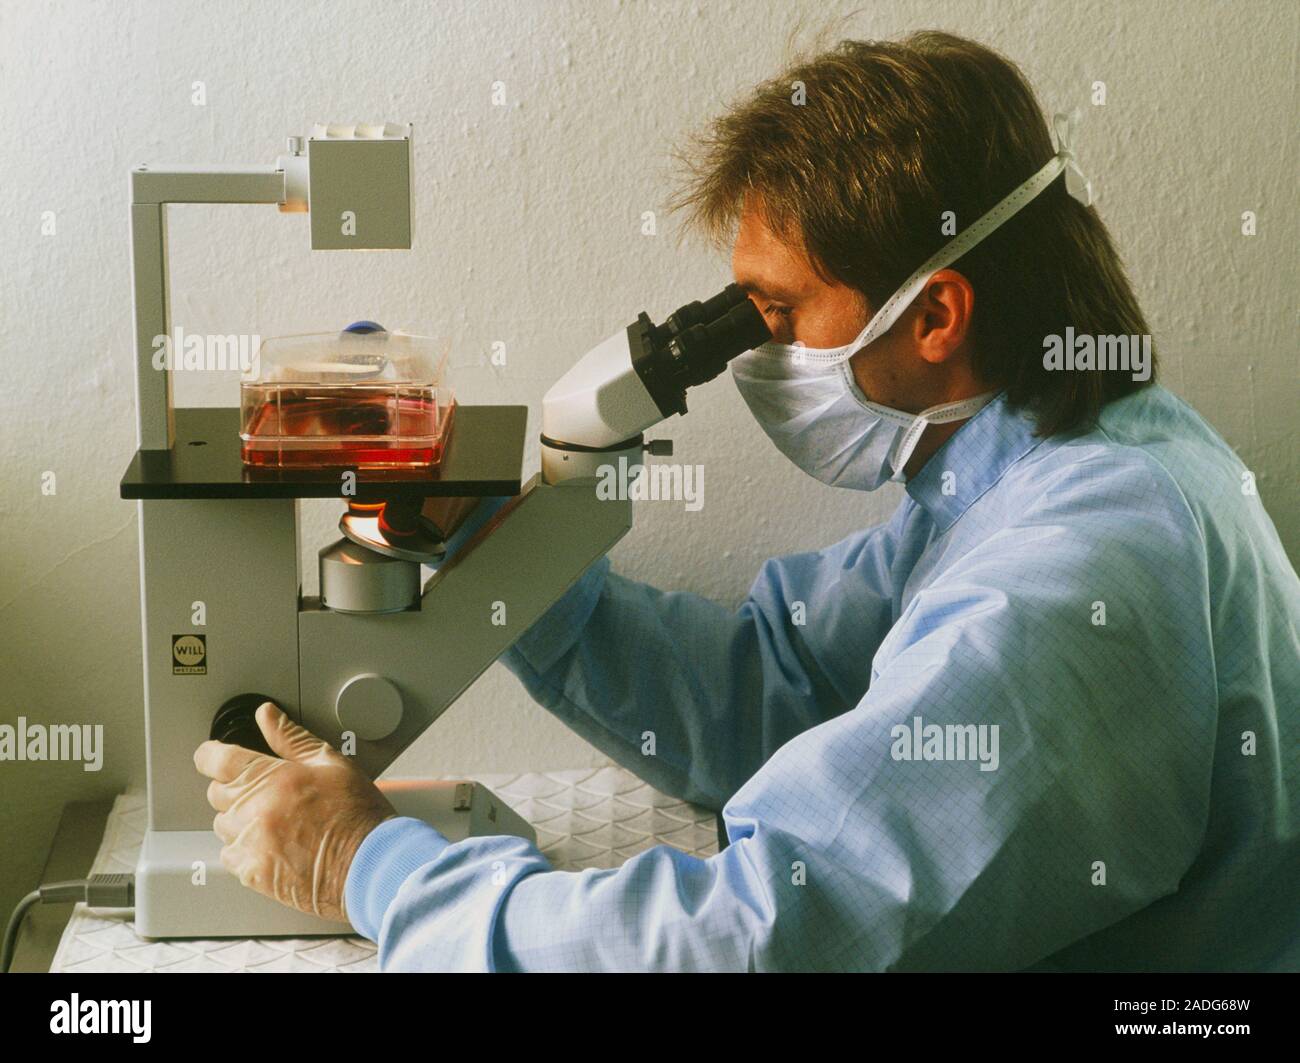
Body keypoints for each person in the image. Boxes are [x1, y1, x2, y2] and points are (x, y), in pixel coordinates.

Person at [194, 30, 1299, 972]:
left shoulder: (1071, 577)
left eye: (775, 310)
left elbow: (752, 937)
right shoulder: (1026, 469)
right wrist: (494, 550)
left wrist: (368, 866)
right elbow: (781, 691)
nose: (756, 350)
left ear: (934, 316)